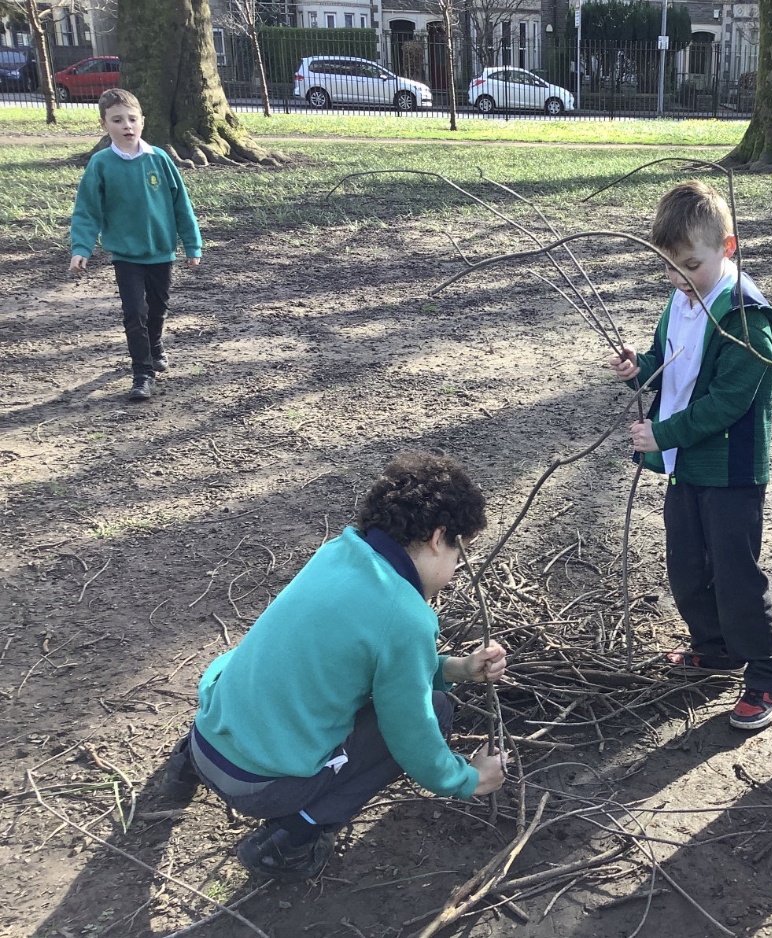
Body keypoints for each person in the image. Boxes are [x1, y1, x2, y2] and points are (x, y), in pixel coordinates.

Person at [160, 451, 509, 880]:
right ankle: (288, 841)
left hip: (208, 736)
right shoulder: (405, 614)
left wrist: (455, 669)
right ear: (439, 538)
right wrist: (468, 780)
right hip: (258, 785)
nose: (456, 569)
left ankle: (184, 765)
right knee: (435, 710)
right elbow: (411, 733)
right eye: (460, 552)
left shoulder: (337, 554)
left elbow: (354, 664)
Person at [608, 180, 772, 731]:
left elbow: (728, 403)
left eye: (691, 265)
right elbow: (669, 357)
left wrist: (663, 435)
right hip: (685, 466)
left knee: (735, 574)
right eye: (669, 268)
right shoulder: (681, 299)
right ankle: (714, 648)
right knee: (685, 565)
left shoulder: (748, 317)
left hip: (730, 470)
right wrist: (640, 365)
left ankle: (764, 671)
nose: (680, 279)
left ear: (727, 249)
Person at [69, 88, 202, 402]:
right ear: (105, 125)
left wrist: (192, 244)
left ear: (142, 121)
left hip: (161, 253)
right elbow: (87, 210)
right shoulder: (101, 164)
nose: (126, 125)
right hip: (126, 255)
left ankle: (155, 346)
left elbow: (181, 204)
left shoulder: (160, 160)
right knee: (134, 313)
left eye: (131, 119)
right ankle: (142, 373)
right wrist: (81, 248)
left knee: (157, 309)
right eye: (117, 120)